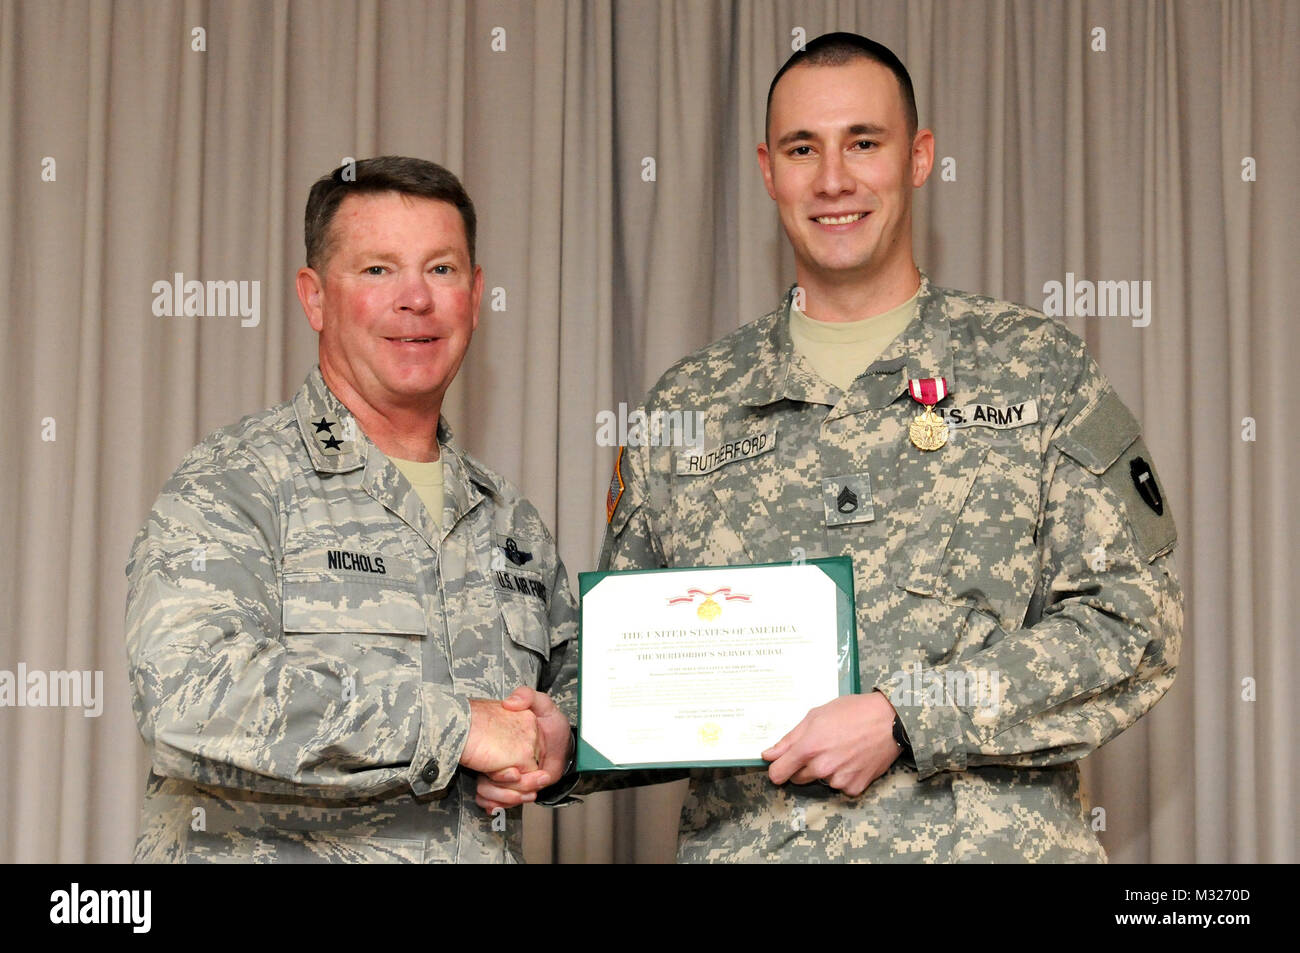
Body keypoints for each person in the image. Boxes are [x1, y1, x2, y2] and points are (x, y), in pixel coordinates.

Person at [481, 32, 1182, 862]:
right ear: (767, 168)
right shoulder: (691, 405)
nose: (833, 178)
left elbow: (1132, 625)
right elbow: (641, 670)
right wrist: (563, 737)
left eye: (864, 142)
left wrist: (906, 713)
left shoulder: (1036, 369)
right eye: (802, 148)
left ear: (918, 158)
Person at [125, 156, 577, 863]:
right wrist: (454, 727)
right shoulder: (236, 483)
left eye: (441, 269)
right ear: (314, 297)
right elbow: (185, 696)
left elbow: (593, 690)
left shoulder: (510, 524)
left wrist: (564, 737)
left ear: (476, 293)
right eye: (377, 270)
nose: (415, 300)